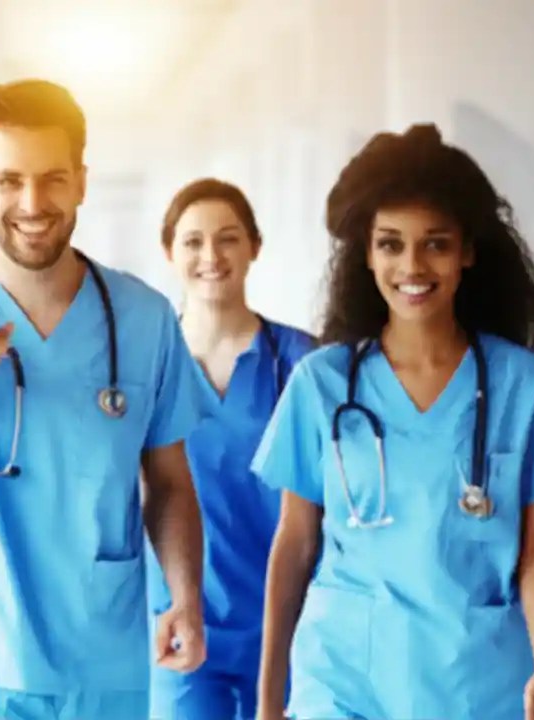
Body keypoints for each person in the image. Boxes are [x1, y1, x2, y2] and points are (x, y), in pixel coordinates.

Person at [0, 79, 209, 720]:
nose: (32, 203)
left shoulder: (144, 319)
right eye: (9, 181)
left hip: (98, 650)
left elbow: (169, 480)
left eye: (52, 178)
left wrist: (186, 596)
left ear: (81, 183)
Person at [252, 124, 534, 720]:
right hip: (343, 679)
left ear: (467, 252)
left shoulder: (523, 386)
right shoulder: (322, 384)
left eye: (435, 243)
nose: (412, 265)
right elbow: (295, 542)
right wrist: (267, 698)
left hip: (476, 682)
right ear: (365, 253)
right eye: (390, 243)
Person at [147, 179, 314, 720]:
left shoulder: (300, 364)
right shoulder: (148, 365)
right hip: (178, 620)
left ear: (254, 247)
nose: (211, 256)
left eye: (228, 239)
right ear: (169, 251)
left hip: (285, 622)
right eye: (192, 242)